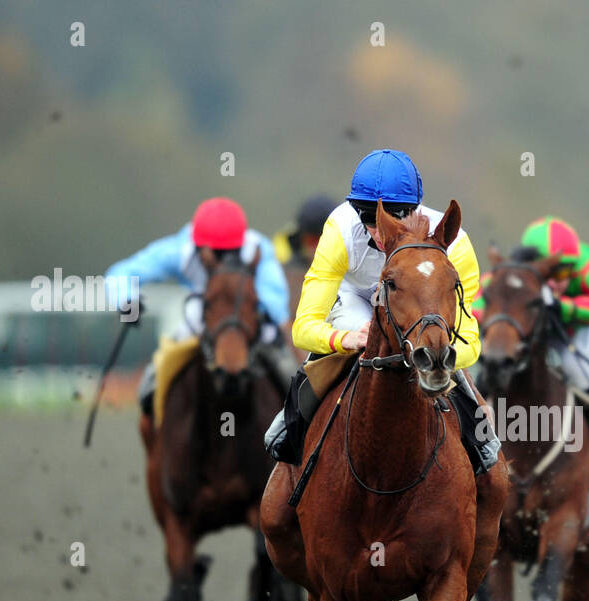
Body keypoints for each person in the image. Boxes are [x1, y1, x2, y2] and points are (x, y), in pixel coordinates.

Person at [265, 148, 498, 474]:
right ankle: (288, 436)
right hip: (355, 301)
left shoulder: (454, 245)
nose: (379, 231)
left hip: (416, 310)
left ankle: (485, 466)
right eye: (368, 217)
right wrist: (343, 339)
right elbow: (303, 328)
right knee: (340, 358)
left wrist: (432, 353)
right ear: (354, 211)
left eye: (395, 216)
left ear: (415, 210)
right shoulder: (340, 229)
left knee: (486, 459)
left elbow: (470, 343)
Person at [104, 197, 292, 416]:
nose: (223, 261)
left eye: (230, 252)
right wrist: (127, 301)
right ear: (199, 246)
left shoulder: (258, 251)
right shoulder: (178, 251)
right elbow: (122, 273)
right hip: (201, 316)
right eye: (217, 253)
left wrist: (250, 315)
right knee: (152, 380)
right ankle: (152, 414)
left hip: (248, 319)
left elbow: (276, 305)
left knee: (291, 376)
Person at [508, 216, 589, 480]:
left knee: (575, 368)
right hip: (539, 326)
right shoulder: (516, 267)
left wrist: (565, 307)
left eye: (564, 273)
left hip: (580, 327)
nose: (556, 283)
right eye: (548, 274)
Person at [272, 195, 338, 270]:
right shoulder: (283, 267)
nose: (316, 250)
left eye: (323, 241)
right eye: (311, 241)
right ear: (301, 240)